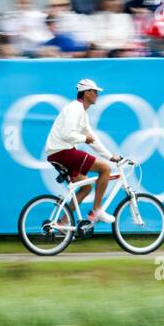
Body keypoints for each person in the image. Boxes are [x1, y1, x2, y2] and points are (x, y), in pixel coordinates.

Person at [44, 78, 119, 226]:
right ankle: (97, 210)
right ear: (87, 93)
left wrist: (110, 156)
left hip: (60, 151)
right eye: (95, 92)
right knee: (105, 169)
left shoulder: (82, 113)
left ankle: (62, 223)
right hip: (62, 151)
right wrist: (85, 138)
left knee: (86, 187)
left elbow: (94, 140)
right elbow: (67, 134)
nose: (97, 95)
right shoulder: (74, 109)